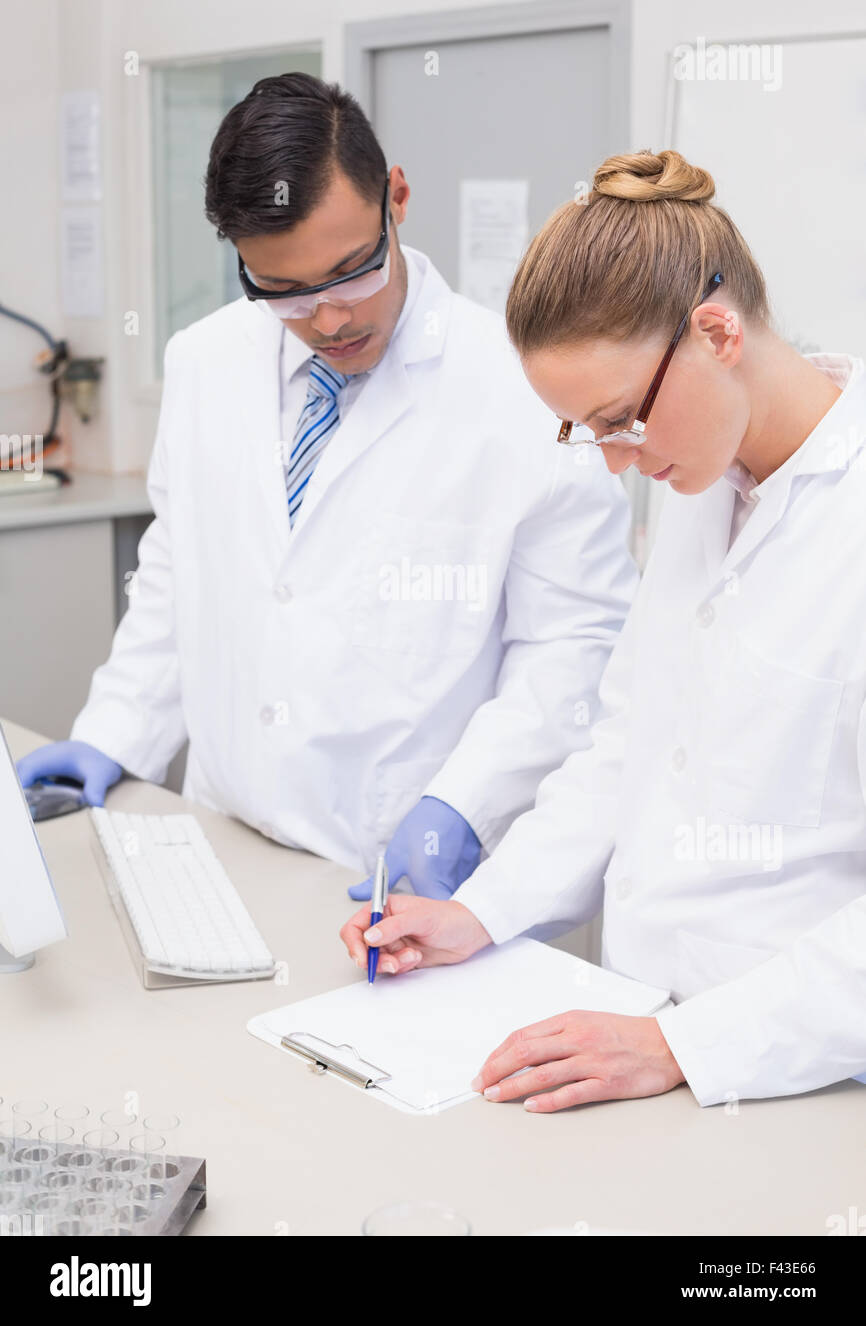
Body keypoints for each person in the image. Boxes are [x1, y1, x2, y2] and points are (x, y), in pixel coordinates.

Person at [17, 74, 637, 900]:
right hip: (222, 837)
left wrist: (463, 804)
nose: (333, 319)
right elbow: (176, 570)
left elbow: (574, 644)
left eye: (353, 272)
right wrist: (116, 731)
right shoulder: (203, 361)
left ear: (398, 199)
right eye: (285, 293)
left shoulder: (523, 389)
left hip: (392, 871)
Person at [341, 148, 866, 1108]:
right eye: (590, 433)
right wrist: (482, 913)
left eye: (622, 421)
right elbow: (628, 747)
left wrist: (685, 1045)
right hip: (638, 1032)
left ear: (717, 332)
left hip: (800, 1080)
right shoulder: (705, 479)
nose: (617, 465)